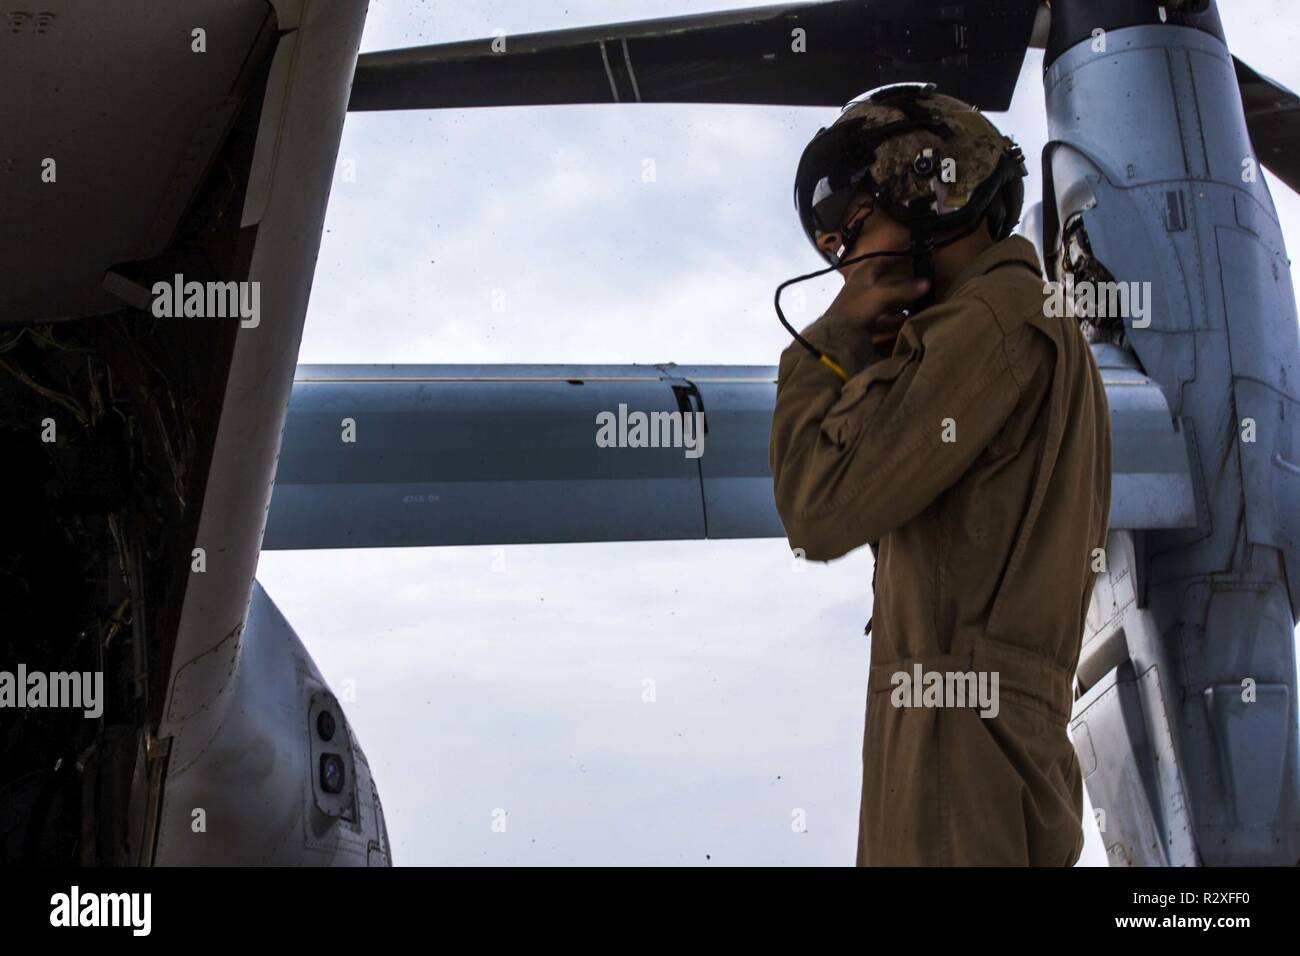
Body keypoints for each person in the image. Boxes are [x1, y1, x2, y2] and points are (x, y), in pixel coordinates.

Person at [769, 84, 1112, 865]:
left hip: (957, 772)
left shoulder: (993, 324)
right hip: (968, 756)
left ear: (931, 187)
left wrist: (828, 347)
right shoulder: (1018, 325)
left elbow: (817, 506)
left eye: (853, 232)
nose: (848, 266)